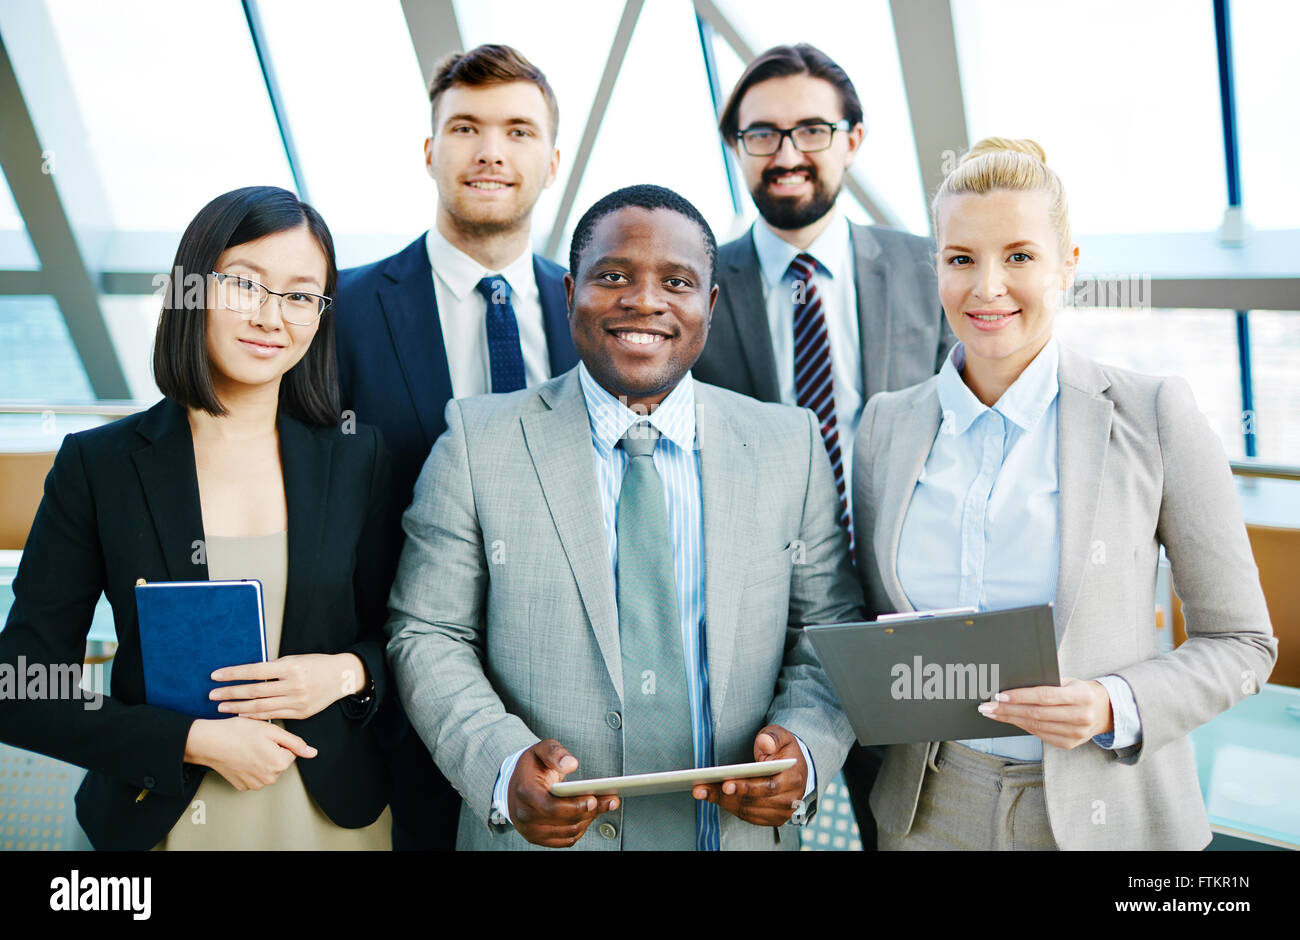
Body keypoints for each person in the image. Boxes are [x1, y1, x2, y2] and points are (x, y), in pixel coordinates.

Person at [385, 184, 861, 851]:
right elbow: (427, 632)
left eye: (677, 281)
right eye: (613, 277)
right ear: (569, 290)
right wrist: (499, 764)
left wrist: (804, 750)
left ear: (711, 304)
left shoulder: (790, 445)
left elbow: (829, 630)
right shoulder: (475, 441)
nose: (645, 300)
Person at [852, 138, 1278, 850]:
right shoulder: (885, 427)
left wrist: (1114, 704)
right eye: (962, 259)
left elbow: (1242, 642)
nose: (988, 287)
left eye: (1019, 256)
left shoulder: (1153, 414)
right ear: (939, 270)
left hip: (1103, 809)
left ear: (1067, 267)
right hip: (923, 813)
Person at [0, 186, 394, 850]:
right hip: (159, 819)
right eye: (245, 284)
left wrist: (347, 673)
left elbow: (412, 636)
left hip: (329, 819)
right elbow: (21, 682)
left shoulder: (359, 457)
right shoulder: (100, 464)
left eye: (300, 295)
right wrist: (191, 739)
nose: (272, 316)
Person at [693, 42, 954, 846]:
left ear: (854, 138)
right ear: (736, 147)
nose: (787, 154)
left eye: (811, 129)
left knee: (906, 821)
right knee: (754, 814)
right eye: (761, 134)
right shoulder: (695, 282)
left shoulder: (928, 268)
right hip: (755, 618)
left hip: (905, 606)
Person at [333, 43, 578, 851]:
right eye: (466, 127)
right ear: (430, 149)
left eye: (518, 130)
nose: (491, 151)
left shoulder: (596, 315)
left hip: (572, 711)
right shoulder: (343, 311)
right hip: (395, 706)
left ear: (551, 158)